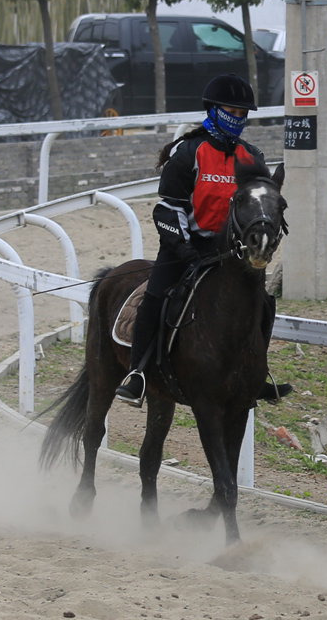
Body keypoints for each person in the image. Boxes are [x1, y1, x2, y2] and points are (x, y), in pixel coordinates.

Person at [115, 73, 277, 407]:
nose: (239, 118)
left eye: (244, 113)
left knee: (264, 301)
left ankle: (256, 372)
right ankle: (138, 374)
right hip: (185, 247)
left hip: (233, 253)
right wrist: (184, 248)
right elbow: (167, 209)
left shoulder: (252, 157)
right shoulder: (187, 152)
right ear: (214, 109)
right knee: (156, 298)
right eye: (233, 111)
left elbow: (261, 201)